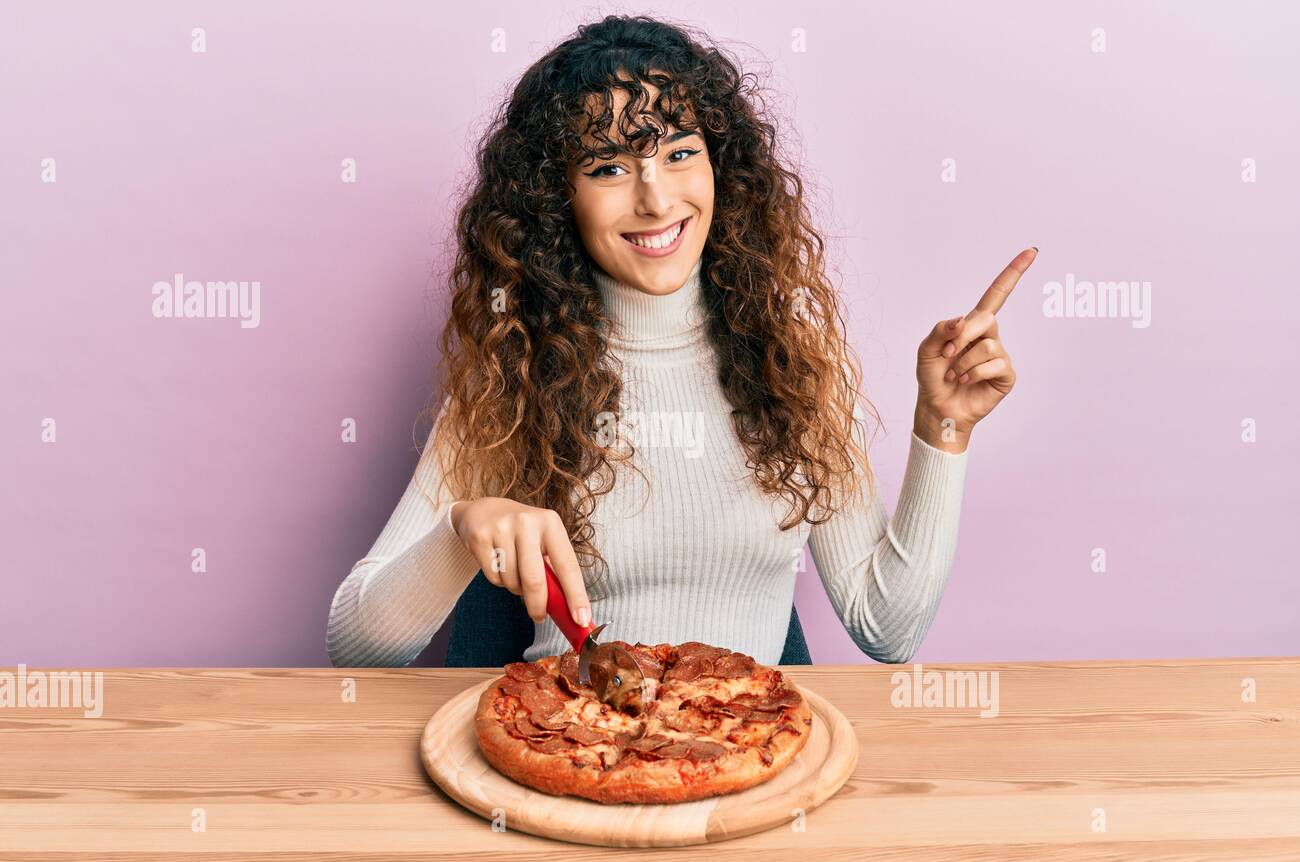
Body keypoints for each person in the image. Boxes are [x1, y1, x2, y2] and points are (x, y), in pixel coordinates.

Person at [326, 14, 1034, 668]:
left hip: (748, 740)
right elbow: (356, 647)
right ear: (556, 197)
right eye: (608, 167)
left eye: (680, 153)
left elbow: (887, 628)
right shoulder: (512, 377)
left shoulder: (796, 361)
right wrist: (461, 529)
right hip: (570, 741)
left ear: (721, 166)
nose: (657, 199)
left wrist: (943, 426)